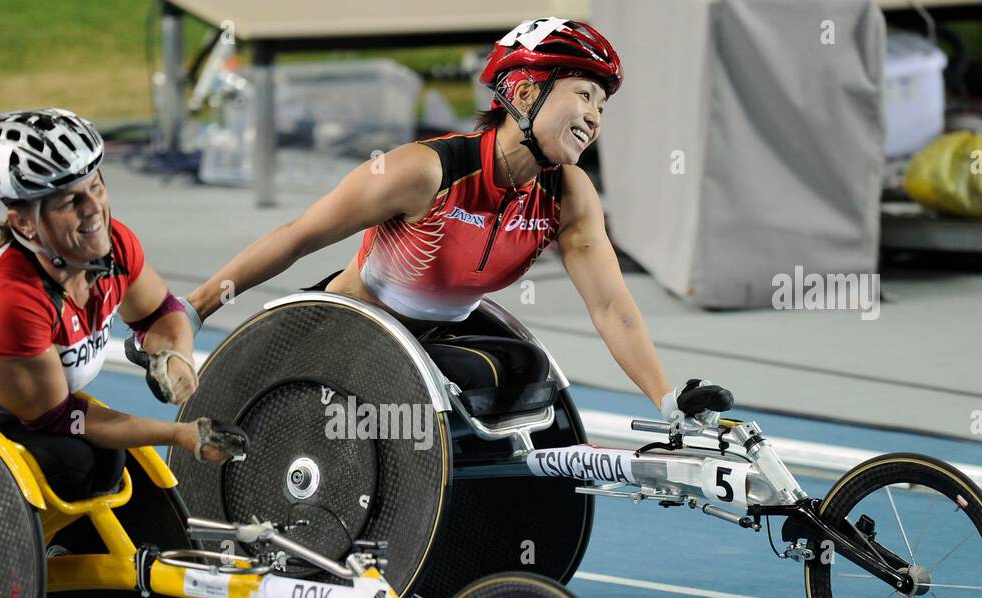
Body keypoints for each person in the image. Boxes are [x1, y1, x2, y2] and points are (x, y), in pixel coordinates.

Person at [145, 17, 731, 428]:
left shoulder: (568, 194)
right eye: (585, 95)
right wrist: (190, 310)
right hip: (353, 330)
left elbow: (611, 307)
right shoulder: (422, 172)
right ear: (525, 93)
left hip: (438, 336)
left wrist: (665, 397)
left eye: (604, 105)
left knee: (527, 373)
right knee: (476, 376)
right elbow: (298, 237)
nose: (595, 117)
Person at [0, 108, 246, 501]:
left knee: (104, 463)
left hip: (6, 417)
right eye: (71, 200)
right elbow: (64, 420)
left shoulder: (113, 245)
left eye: (96, 186)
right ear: (24, 224)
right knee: (72, 463)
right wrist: (180, 435)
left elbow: (159, 313)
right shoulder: (11, 303)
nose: (93, 209)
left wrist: (177, 355)